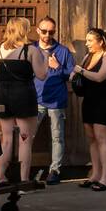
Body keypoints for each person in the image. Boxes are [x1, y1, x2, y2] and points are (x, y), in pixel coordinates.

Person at [0, 17, 49, 184]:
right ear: (23, 30)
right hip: (23, 96)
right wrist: (47, 59)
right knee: (25, 139)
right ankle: (24, 179)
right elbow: (41, 74)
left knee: (6, 138)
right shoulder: (30, 50)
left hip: (2, 96)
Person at [71, 28, 106, 191]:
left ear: (101, 42)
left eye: (90, 41)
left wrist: (80, 70)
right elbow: (81, 76)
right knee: (91, 138)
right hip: (89, 101)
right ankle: (95, 175)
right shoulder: (87, 56)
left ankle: (105, 179)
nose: (87, 44)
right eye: (86, 40)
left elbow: (99, 77)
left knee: (101, 138)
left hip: (105, 102)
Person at [34, 16, 75, 184]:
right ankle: (24, 170)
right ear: (38, 30)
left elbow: (71, 75)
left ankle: (55, 171)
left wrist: (57, 67)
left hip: (56, 102)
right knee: (27, 136)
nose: (47, 35)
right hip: (35, 100)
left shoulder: (63, 51)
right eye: (44, 31)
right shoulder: (31, 49)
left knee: (57, 137)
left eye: (51, 31)